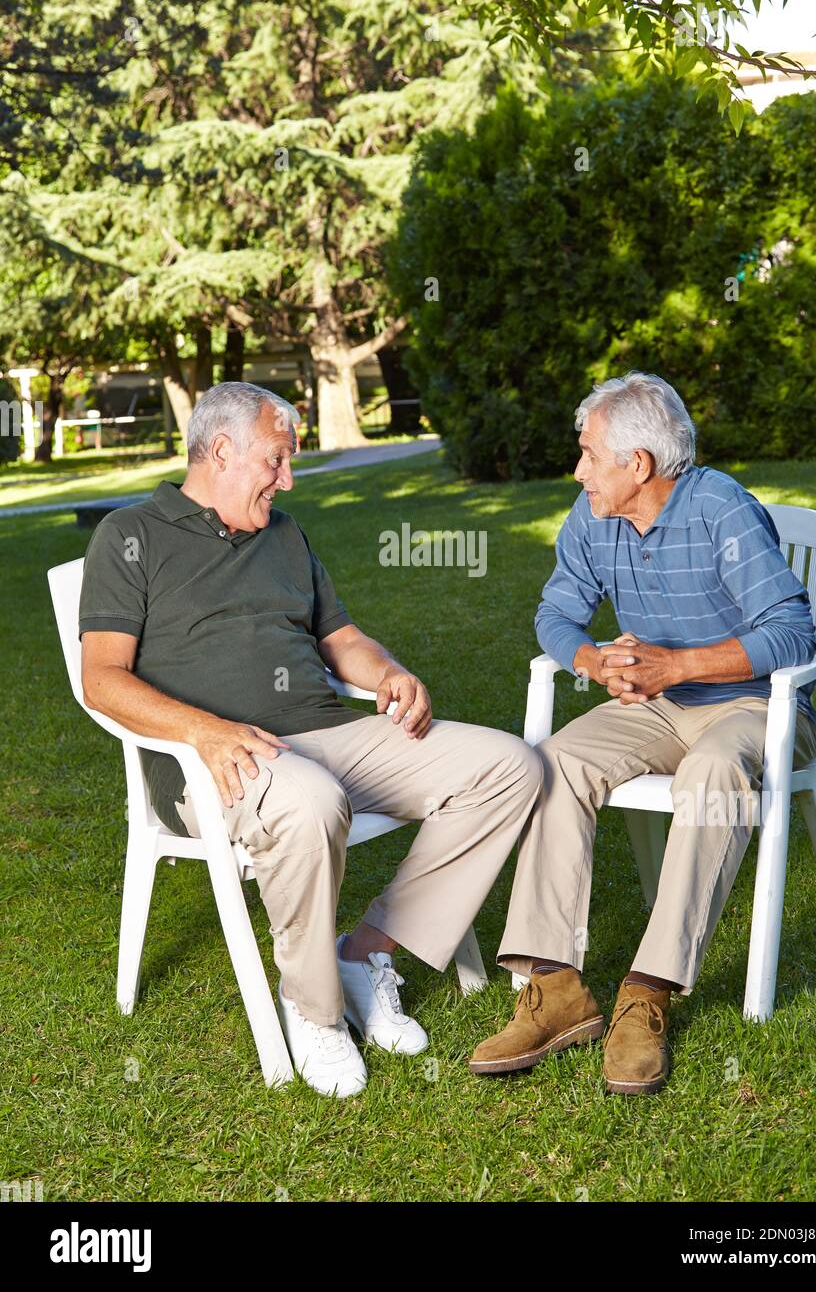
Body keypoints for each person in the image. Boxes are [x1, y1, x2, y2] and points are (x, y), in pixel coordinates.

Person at [80, 381, 542, 1098]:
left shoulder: (285, 534)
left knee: (510, 766)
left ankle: (364, 955)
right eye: (276, 461)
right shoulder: (131, 536)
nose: (286, 480)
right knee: (308, 798)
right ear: (222, 450)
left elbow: (342, 638)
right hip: (219, 763)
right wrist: (206, 731)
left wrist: (387, 672)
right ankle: (315, 1011)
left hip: (330, 730)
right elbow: (102, 680)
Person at [469, 372, 816, 1095]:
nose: (578, 470)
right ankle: (557, 987)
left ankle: (647, 991)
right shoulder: (592, 516)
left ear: (639, 465)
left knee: (713, 771)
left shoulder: (722, 509)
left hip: (755, 706)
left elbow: (792, 636)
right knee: (554, 762)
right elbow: (555, 614)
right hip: (655, 707)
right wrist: (595, 661)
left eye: (590, 455)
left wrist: (677, 664)